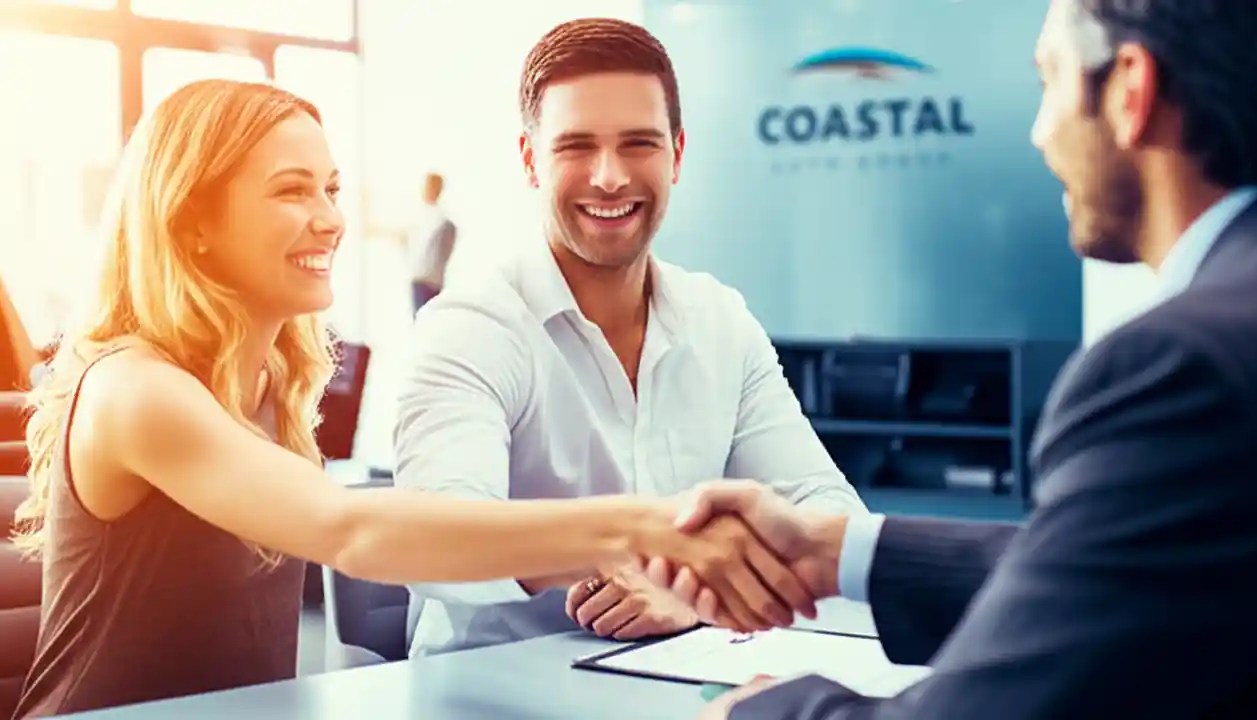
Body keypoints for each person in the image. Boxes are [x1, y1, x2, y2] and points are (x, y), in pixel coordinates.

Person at [6, 79, 816, 719]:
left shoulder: (271, 382)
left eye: (331, 188)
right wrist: (650, 526)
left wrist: (670, 568)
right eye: (293, 191)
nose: (329, 220)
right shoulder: (135, 390)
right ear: (193, 223)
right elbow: (352, 530)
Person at [662, 0, 1257, 717]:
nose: (1039, 133)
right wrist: (840, 549)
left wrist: (756, 710)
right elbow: (1123, 572)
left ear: (1129, 92)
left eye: (1048, 82)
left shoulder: (1179, 368)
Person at [392, 17, 867, 658]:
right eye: (576, 146)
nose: (609, 176)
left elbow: (829, 511)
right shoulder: (470, 326)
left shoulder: (721, 320)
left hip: (684, 678)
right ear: (532, 160)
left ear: (677, 153)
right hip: (493, 691)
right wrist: (655, 550)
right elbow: (433, 539)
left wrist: (691, 586)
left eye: (638, 144)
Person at [407, 171, 456, 312]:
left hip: (431, 281)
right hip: (420, 279)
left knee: (426, 319)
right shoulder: (417, 217)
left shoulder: (444, 223)